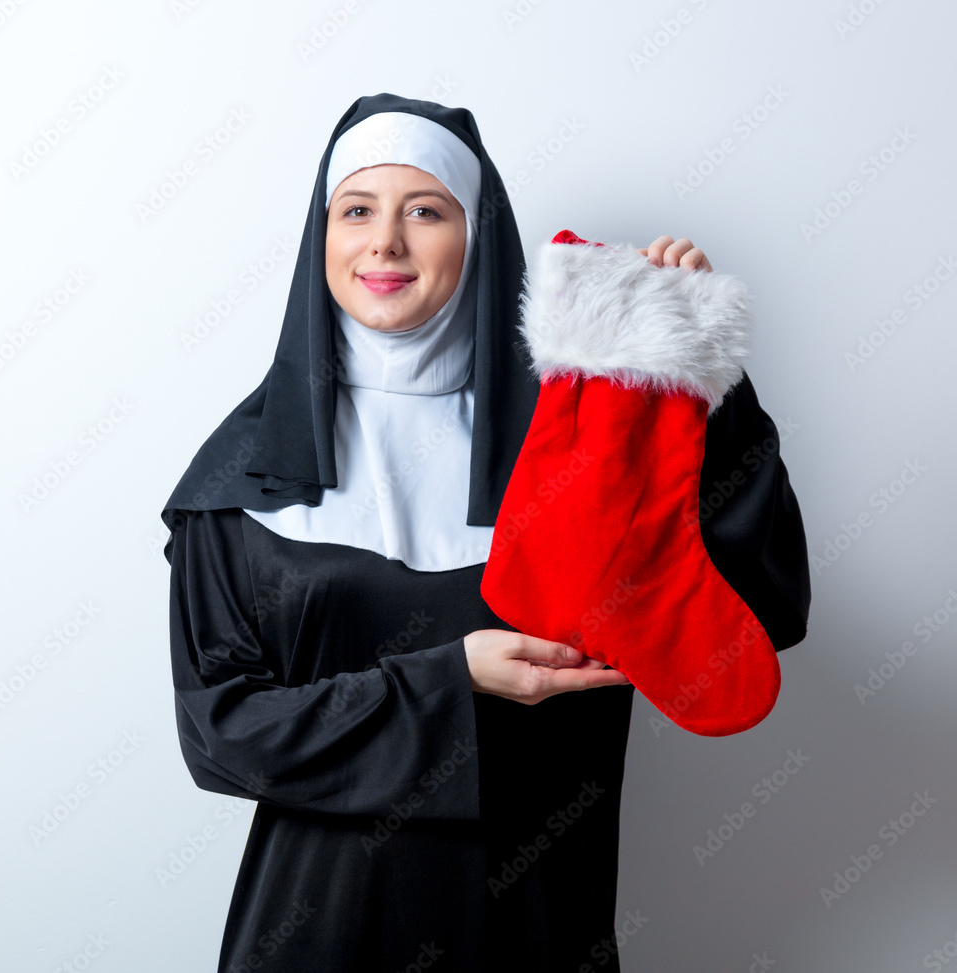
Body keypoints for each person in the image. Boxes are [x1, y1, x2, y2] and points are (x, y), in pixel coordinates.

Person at [161, 92, 810, 973]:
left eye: (424, 211)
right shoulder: (244, 475)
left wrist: (688, 366)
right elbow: (219, 731)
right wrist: (450, 680)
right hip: (311, 934)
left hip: (536, 926)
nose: (385, 241)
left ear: (478, 240)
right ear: (322, 240)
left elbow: (754, 606)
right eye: (356, 210)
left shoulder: (584, 439)